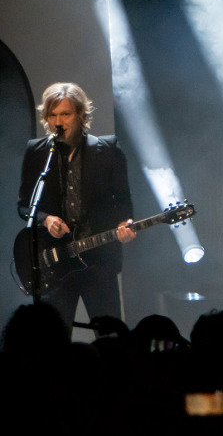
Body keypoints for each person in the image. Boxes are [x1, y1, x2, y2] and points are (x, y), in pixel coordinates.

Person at [17, 82, 136, 331]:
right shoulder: (37, 152)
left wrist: (125, 224)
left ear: (81, 114)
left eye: (65, 114)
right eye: (53, 115)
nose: (58, 121)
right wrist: (46, 219)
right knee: (53, 342)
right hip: (57, 264)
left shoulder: (107, 149)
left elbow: (123, 201)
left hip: (98, 261)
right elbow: (25, 206)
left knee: (111, 335)